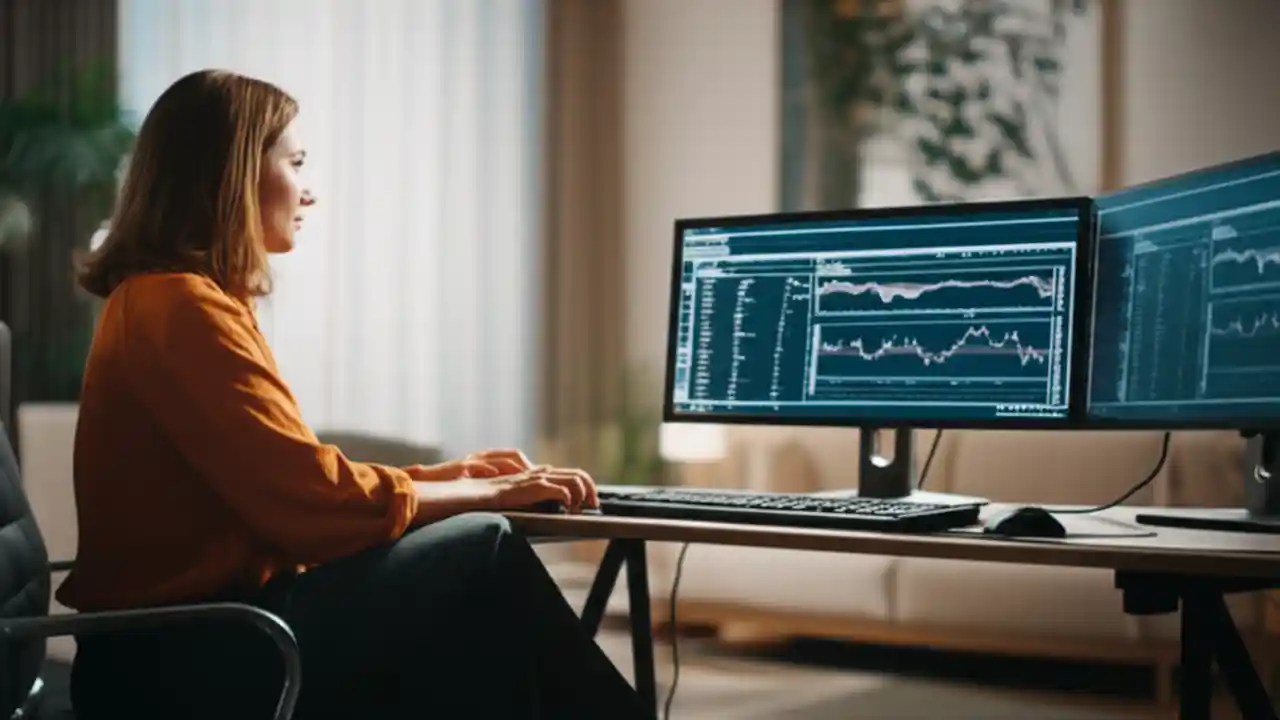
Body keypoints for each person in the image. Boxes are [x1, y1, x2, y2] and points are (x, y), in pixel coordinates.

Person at [61, 69, 645, 720]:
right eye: (297, 162)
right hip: (188, 657)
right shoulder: (178, 305)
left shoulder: (168, 299)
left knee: (474, 627)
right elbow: (311, 508)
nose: (309, 192)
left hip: (192, 641)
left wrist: (449, 477)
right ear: (229, 171)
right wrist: (485, 492)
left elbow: (290, 483)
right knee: (483, 550)